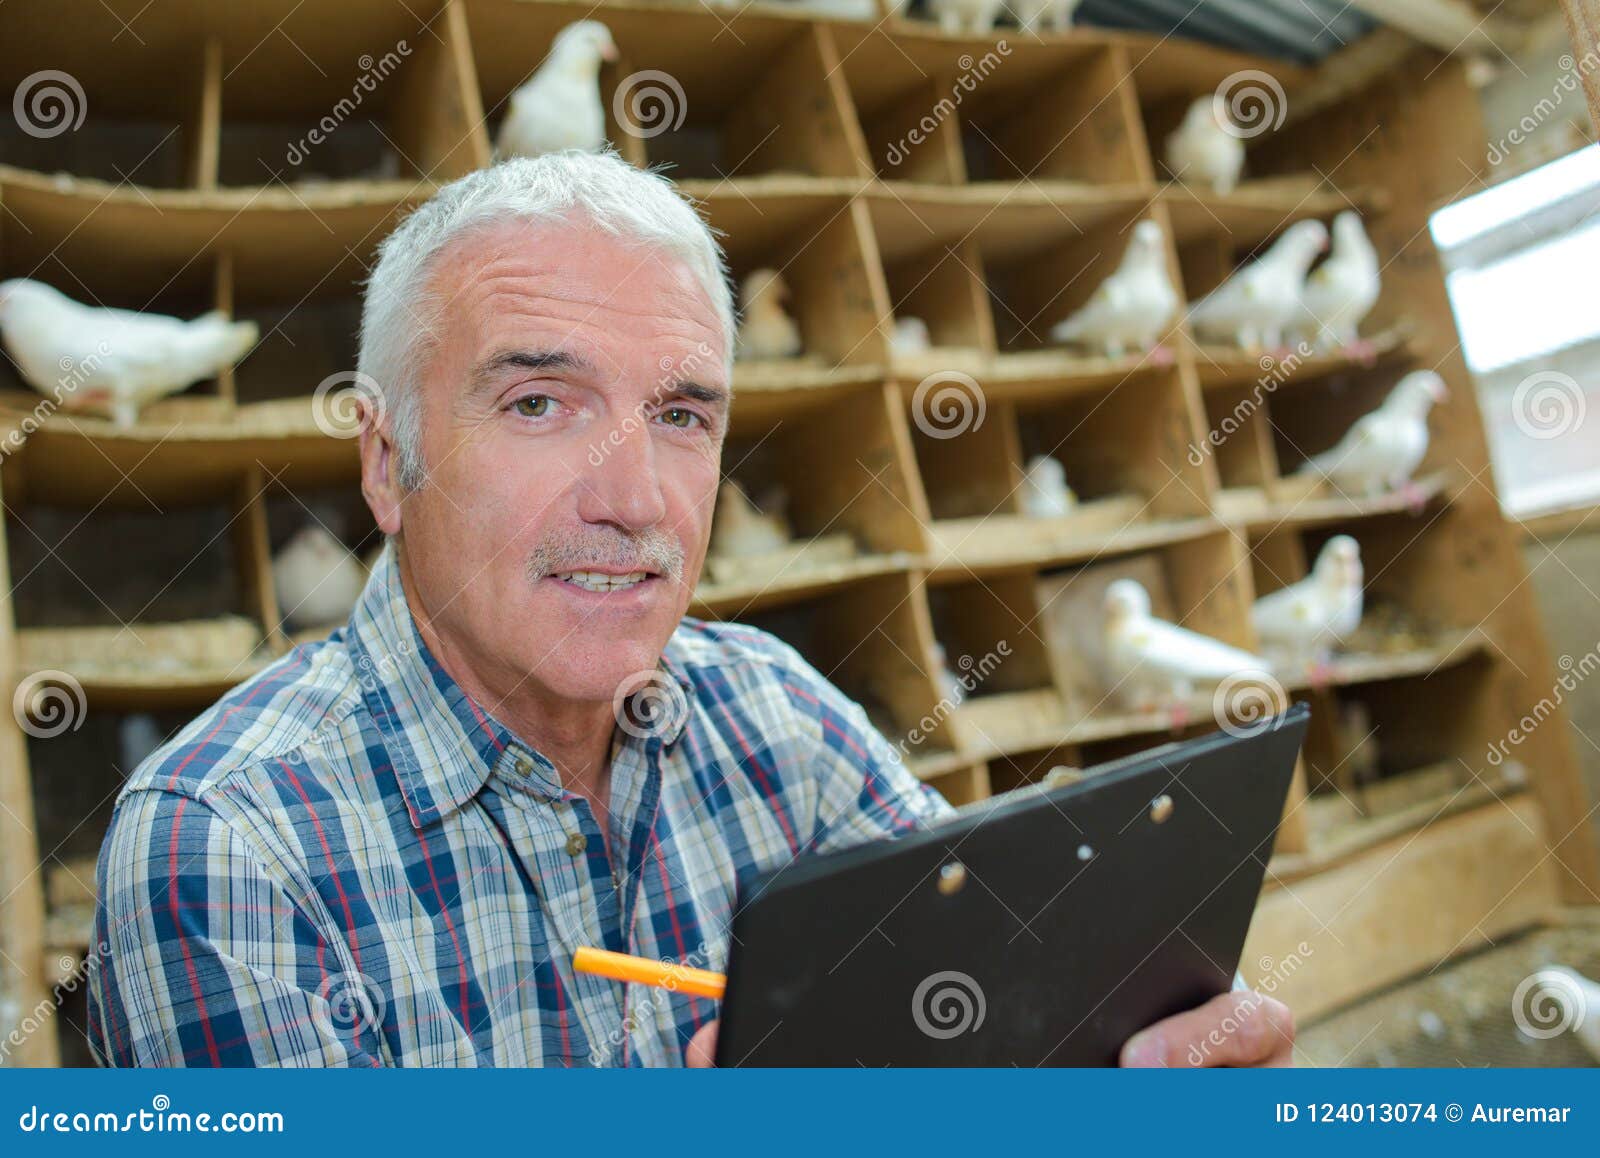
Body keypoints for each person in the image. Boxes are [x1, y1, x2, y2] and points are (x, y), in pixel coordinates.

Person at [85, 150, 1291, 1068]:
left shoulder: (777, 718)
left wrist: (1097, 1068)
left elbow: (979, 1014)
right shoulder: (228, 846)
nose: (634, 501)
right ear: (383, 461)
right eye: (540, 405)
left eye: (680, 417)